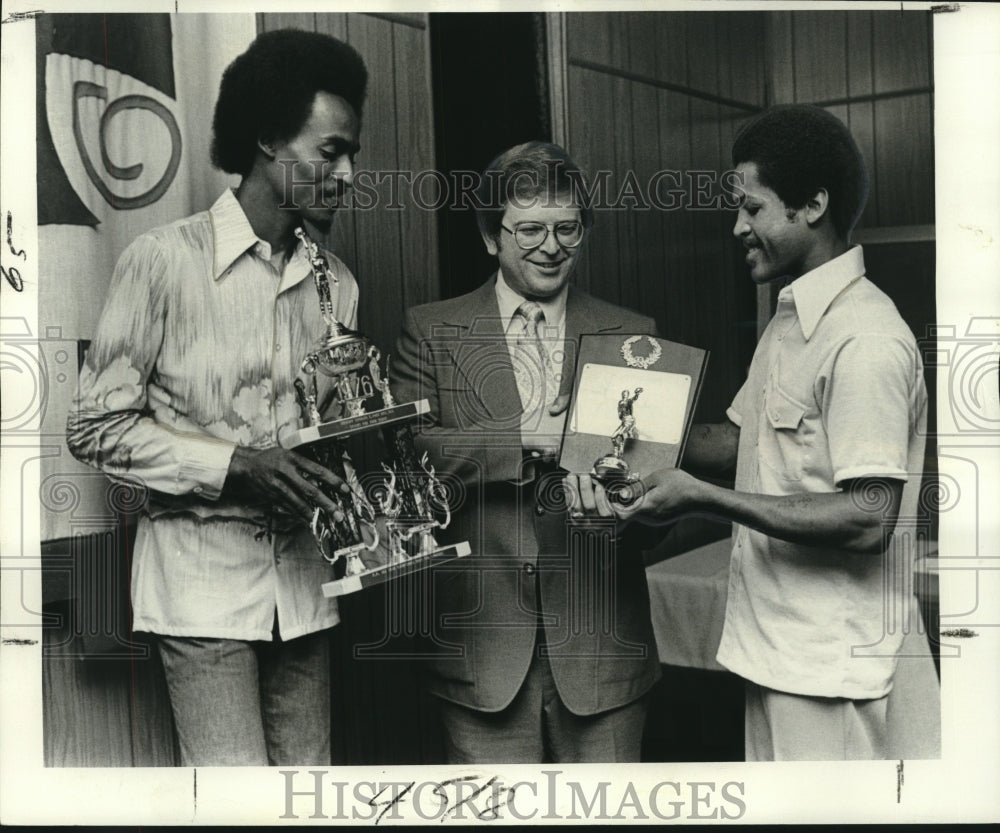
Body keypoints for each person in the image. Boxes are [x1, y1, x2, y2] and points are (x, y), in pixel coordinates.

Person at [569, 105, 928, 761]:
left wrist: (703, 498)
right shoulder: (792, 318)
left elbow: (870, 514)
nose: (738, 227)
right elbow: (740, 443)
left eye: (753, 208)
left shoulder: (866, 338)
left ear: (813, 203)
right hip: (779, 654)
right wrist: (601, 426)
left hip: (831, 668)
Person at [66, 29, 368, 766]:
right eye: (330, 152)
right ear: (267, 139)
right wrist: (236, 464)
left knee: (308, 804)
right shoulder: (162, 262)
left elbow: (331, 437)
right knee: (236, 807)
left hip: (304, 593)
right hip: (198, 595)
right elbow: (95, 427)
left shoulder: (341, 284)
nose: (350, 173)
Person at [392, 141, 662, 764]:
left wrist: (633, 502)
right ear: (491, 236)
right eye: (531, 229)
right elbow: (406, 465)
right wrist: (527, 438)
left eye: (568, 228)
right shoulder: (431, 330)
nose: (551, 246)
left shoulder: (632, 336)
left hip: (603, 653)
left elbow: (657, 492)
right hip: (480, 653)